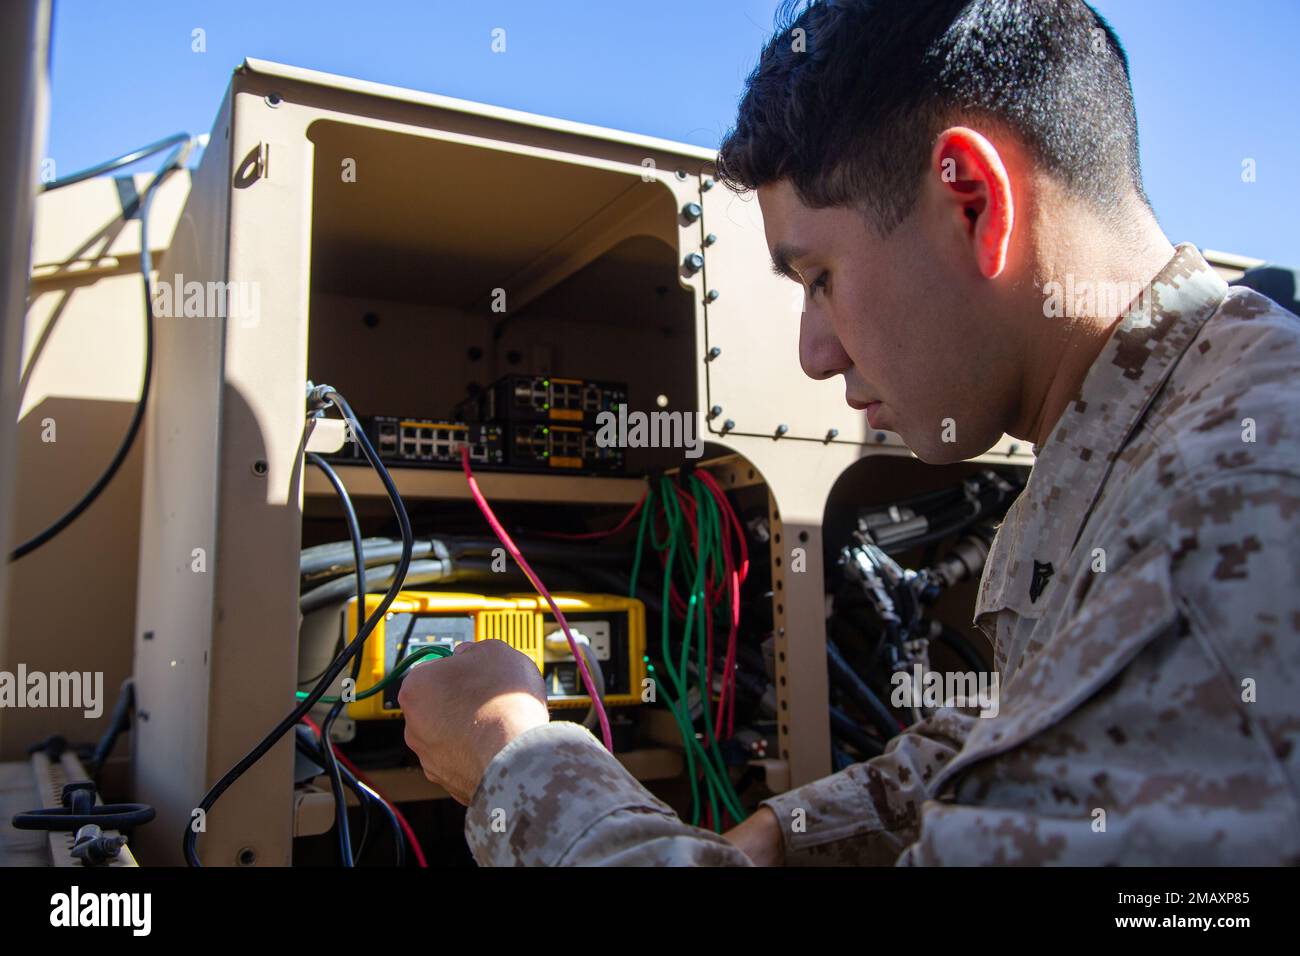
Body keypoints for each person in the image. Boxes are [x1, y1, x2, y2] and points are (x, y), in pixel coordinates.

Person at [399, 0, 1300, 865]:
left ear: (972, 199)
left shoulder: (1223, 502)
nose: (814, 355)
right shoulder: (1155, 441)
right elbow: (1025, 720)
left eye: (819, 275)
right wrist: (796, 833)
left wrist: (513, 764)